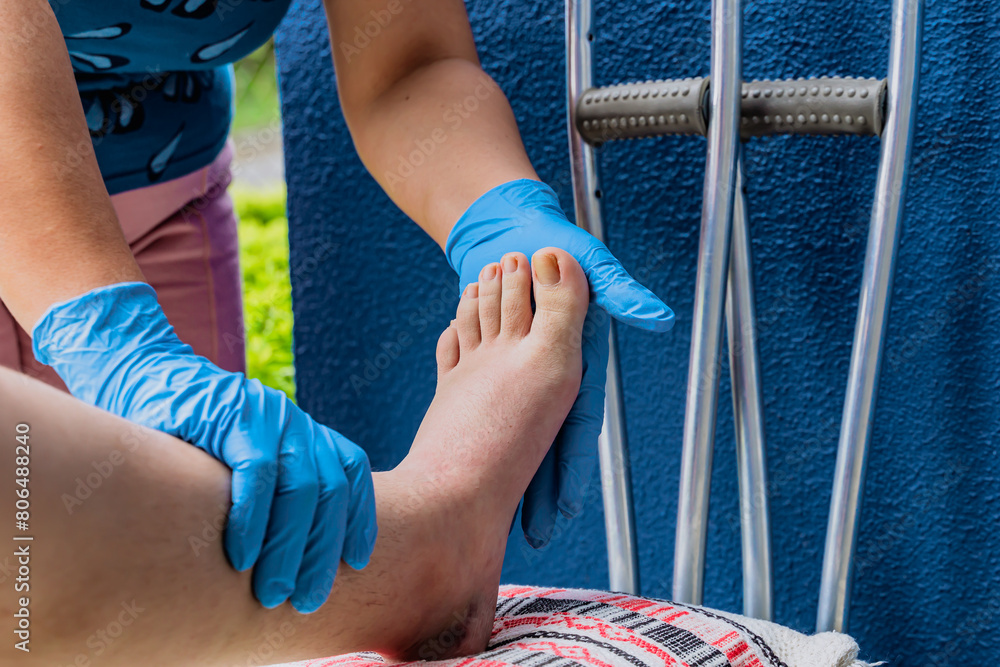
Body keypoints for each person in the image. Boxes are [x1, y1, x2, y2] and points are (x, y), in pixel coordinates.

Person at [0, 0, 674, 614]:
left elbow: (407, 60)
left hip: (164, 193)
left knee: (195, 561)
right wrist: (117, 344)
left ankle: (435, 548)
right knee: (18, 570)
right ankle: (434, 539)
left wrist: (493, 211)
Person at [0, 248, 592, 664]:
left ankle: (434, 540)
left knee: (210, 462)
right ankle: (429, 552)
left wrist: (488, 197)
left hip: (167, 173)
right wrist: (113, 342)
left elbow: (401, 97)